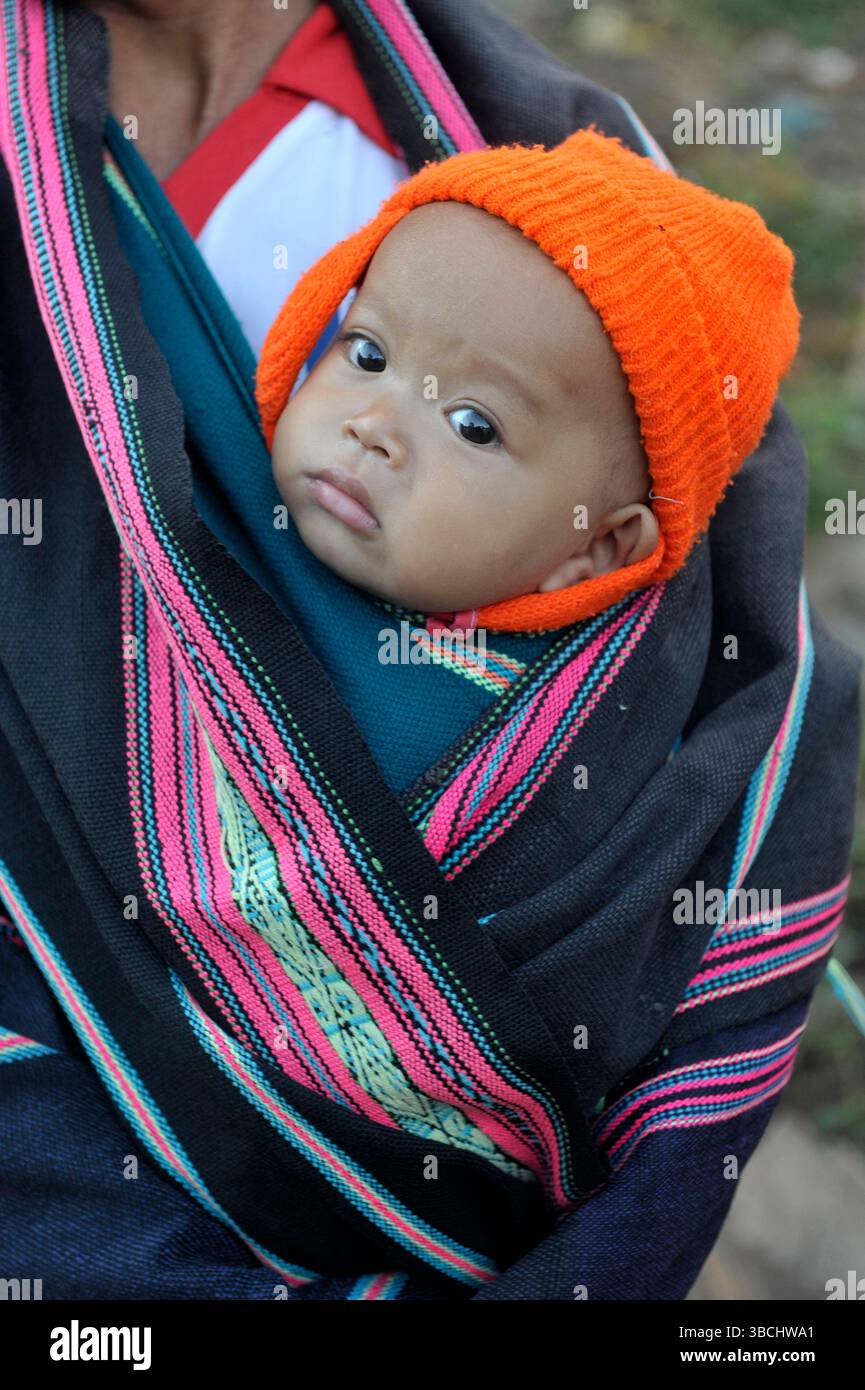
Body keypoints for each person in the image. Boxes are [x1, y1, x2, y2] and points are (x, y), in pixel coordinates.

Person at [0, 0, 859, 1301]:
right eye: (361, 353)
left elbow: (746, 750)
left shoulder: (510, 133)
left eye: (468, 421)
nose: (378, 428)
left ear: (591, 552)